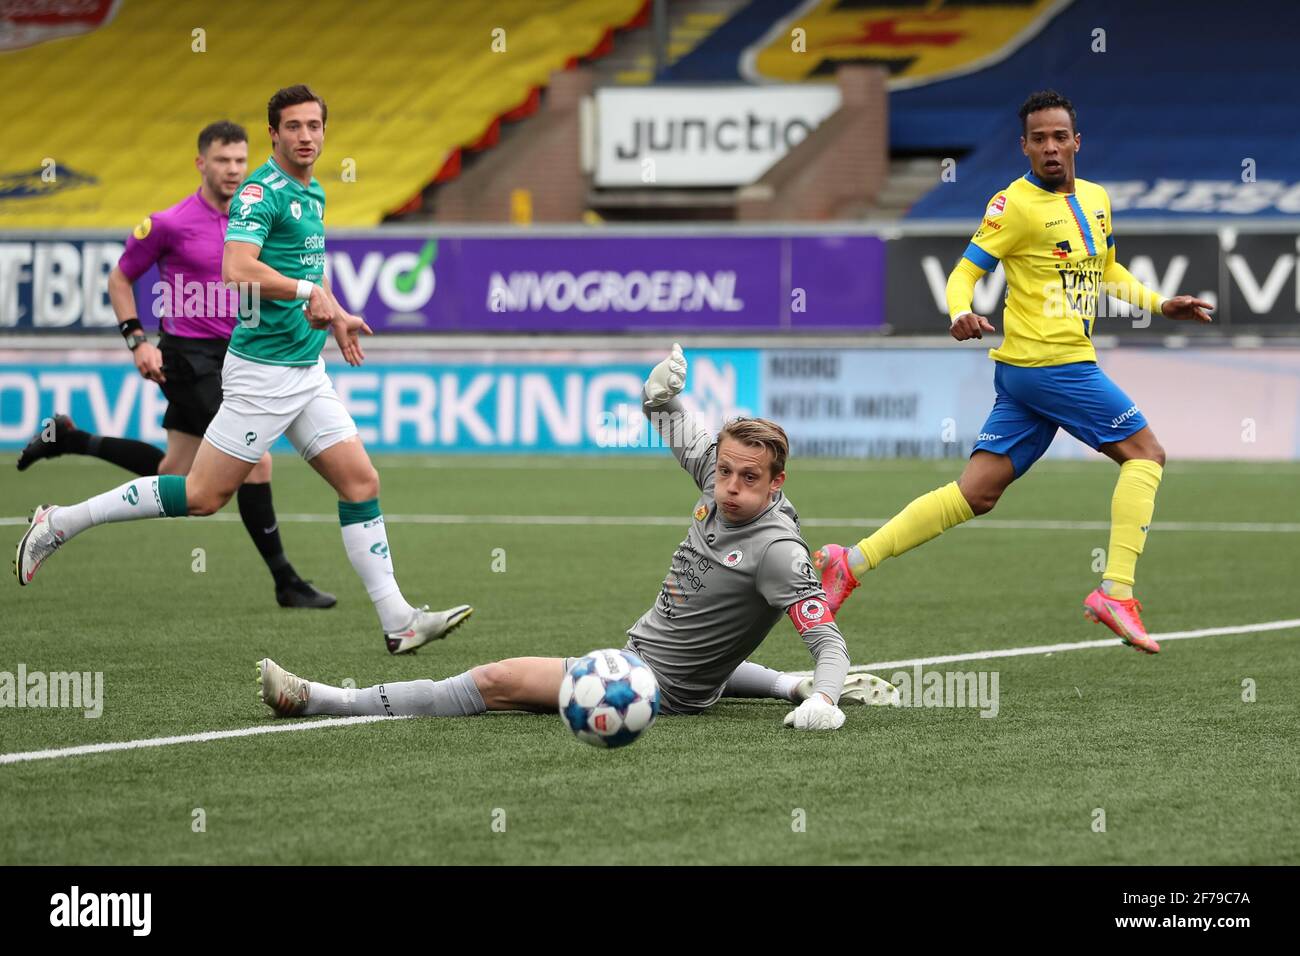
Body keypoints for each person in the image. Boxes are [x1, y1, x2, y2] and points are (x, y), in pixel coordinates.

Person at [14, 85, 471, 655]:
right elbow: (236, 268)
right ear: (274, 134)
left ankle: (398, 619)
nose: (306, 136)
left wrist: (334, 313)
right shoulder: (260, 191)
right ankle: (60, 522)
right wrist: (307, 291)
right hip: (261, 375)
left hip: (305, 370)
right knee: (204, 495)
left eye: (314, 126)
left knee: (361, 482)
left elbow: (307, 268)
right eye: (294, 127)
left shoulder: (314, 191)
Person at [258, 345, 898, 730]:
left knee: (496, 680)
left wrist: (825, 695)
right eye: (725, 470)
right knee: (707, 667)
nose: (728, 486)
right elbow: (676, 426)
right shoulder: (717, 475)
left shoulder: (779, 554)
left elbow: (829, 641)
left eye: (748, 478)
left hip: (646, 684)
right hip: (674, 669)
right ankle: (779, 683)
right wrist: (661, 398)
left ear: (777, 482)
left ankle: (324, 699)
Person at [814, 90, 1214, 654]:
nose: (1050, 147)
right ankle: (1116, 592)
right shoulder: (1013, 206)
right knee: (1146, 454)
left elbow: (1104, 269)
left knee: (977, 493)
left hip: (1030, 376)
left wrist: (1157, 302)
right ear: (1023, 146)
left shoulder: (1098, 200)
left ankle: (848, 563)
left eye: (1059, 136)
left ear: (1077, 141)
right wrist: (959, 311)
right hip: (1051, 362)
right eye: (1039, 139)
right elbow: (964, 272)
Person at [15, 120, 333, 608]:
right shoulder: (168, 223)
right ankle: (285, 580)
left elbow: (262, 284)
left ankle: (70, 437)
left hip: (239, 355)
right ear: (200, 163)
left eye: (240, 161)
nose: (232, 170)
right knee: (256, 462)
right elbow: (121, 280)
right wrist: (138, 341)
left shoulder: (256, 215)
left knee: (175, 470)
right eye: (222, 160)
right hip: (188, 358)